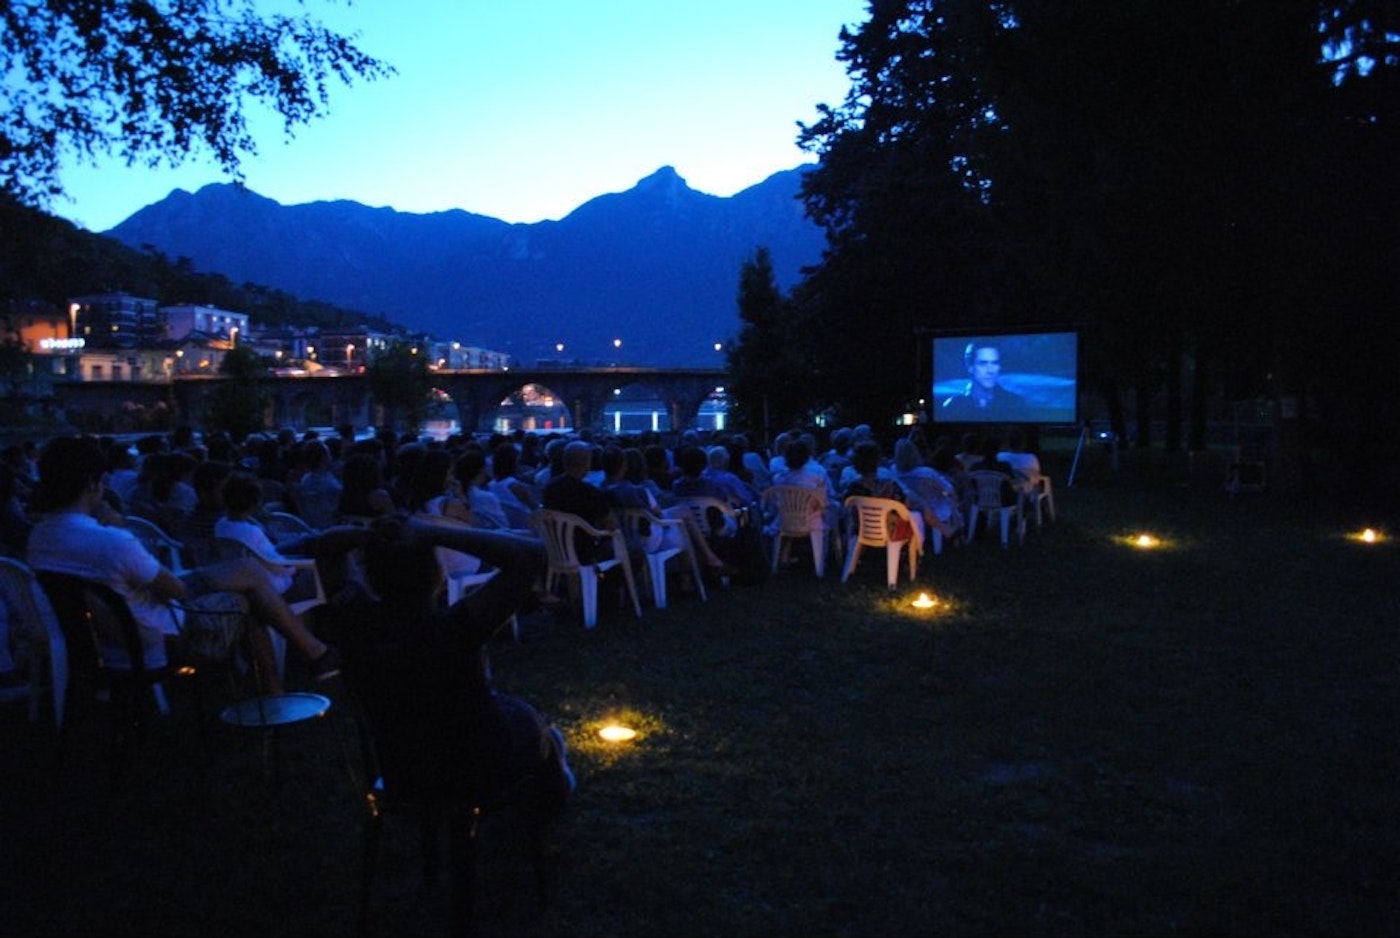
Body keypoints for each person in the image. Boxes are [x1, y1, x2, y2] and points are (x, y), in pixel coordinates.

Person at [25, 436, 342, 693]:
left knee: (247, 573)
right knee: (249, 596)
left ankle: (300, 667)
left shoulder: (39, 537)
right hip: (163, 636)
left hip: (103, 642)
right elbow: (174, 589)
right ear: (93, 484)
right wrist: (120, 529)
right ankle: (301, 668)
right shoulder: (110, 540)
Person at [331, 519, 574, 817]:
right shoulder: (455, 627)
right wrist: (432, 531)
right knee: (535, 726)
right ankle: (554, 789)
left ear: (370, 575)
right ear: (436, 575)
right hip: (478, 770)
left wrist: (363, 535)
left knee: (515, 713)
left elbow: (326, 551)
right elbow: (531, 554)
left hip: (404, 772)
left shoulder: (354, 619)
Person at [940, 340, 1030, 420]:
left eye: (994, 363)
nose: (990, 370)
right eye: (983, 363)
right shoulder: (953, 407)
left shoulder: (1015, 404)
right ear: (970, 367)